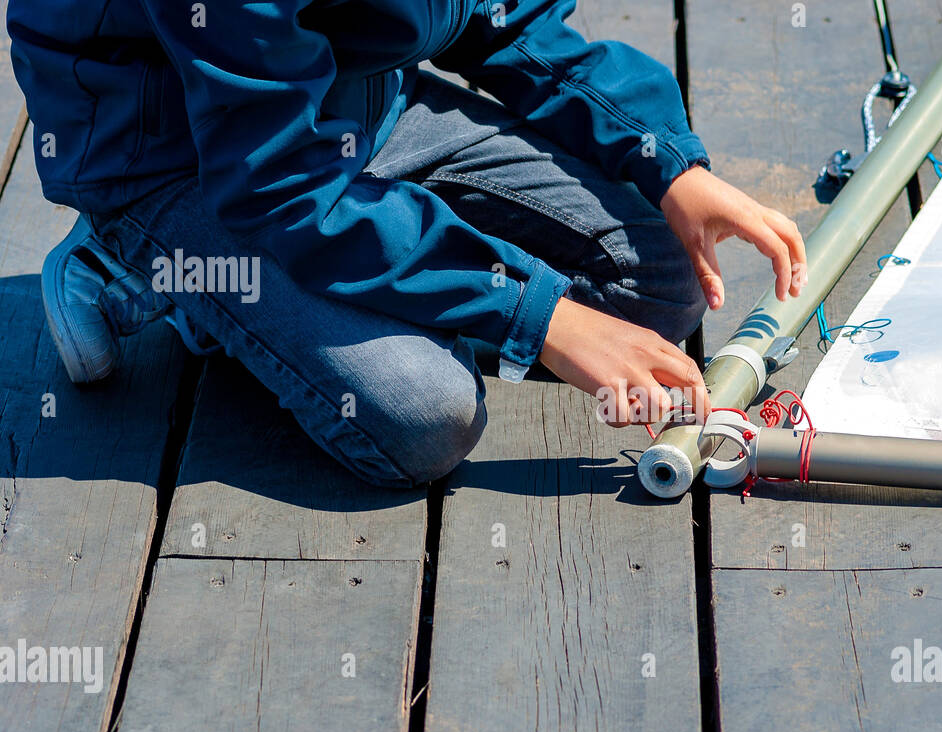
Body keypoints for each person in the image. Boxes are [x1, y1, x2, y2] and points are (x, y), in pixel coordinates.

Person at [8, 0, 805, 486]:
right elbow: (280, 182)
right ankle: (145, 255)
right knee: (423, 415)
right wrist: (545, 318)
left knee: (657, 281)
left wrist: (662, 159)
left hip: (354, 97)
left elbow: (503, 11)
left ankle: (343, 262)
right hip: (185, 151)